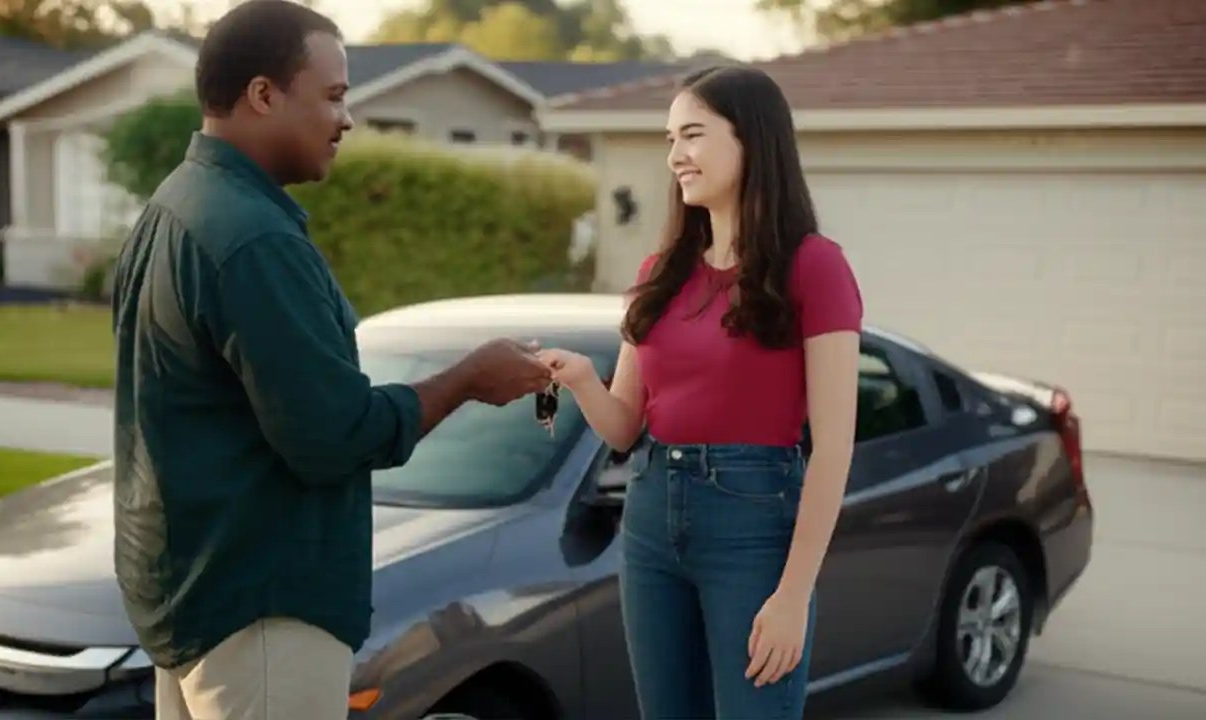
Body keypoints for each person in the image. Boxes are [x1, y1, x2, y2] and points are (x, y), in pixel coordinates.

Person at [109, 2, 551, 718]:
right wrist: (469, 378)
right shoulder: (252, 240)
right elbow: (334, 436)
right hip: (259, 613)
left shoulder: (173, 207)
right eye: (335, 96)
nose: (346, 120)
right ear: (263, 94)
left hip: (191, 603)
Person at [537, 65, 862, 719]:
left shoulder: (814, 266)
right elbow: (626, 425)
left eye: (692, 135)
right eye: (668, 139)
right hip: (651, 517)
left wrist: (794, 594)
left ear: (752, 140)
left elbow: (832, 448)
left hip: (755, 526)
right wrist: (578, 379)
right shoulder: (659, 273)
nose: (675, 156)